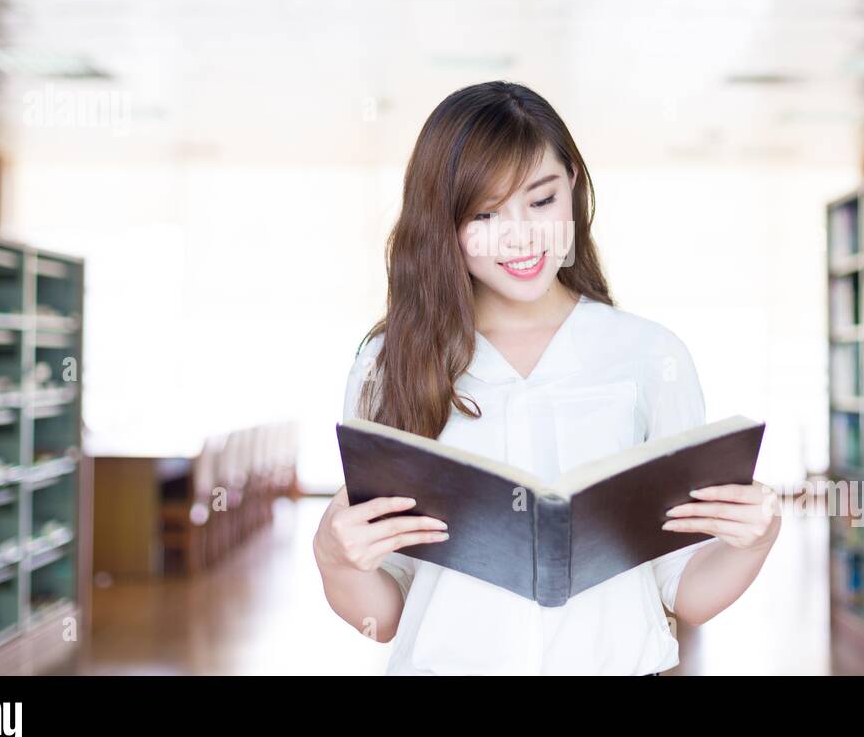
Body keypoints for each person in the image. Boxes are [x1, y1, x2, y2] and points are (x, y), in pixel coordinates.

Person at [314, 81, 780, 674]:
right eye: (484, 213)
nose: (521, 236)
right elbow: (388, 613)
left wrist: (757, 538)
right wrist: (334, 556)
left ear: (574, 190)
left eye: (541, 201)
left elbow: (683, 592)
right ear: (444, 223)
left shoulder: (649, 356)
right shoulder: (391, 362)